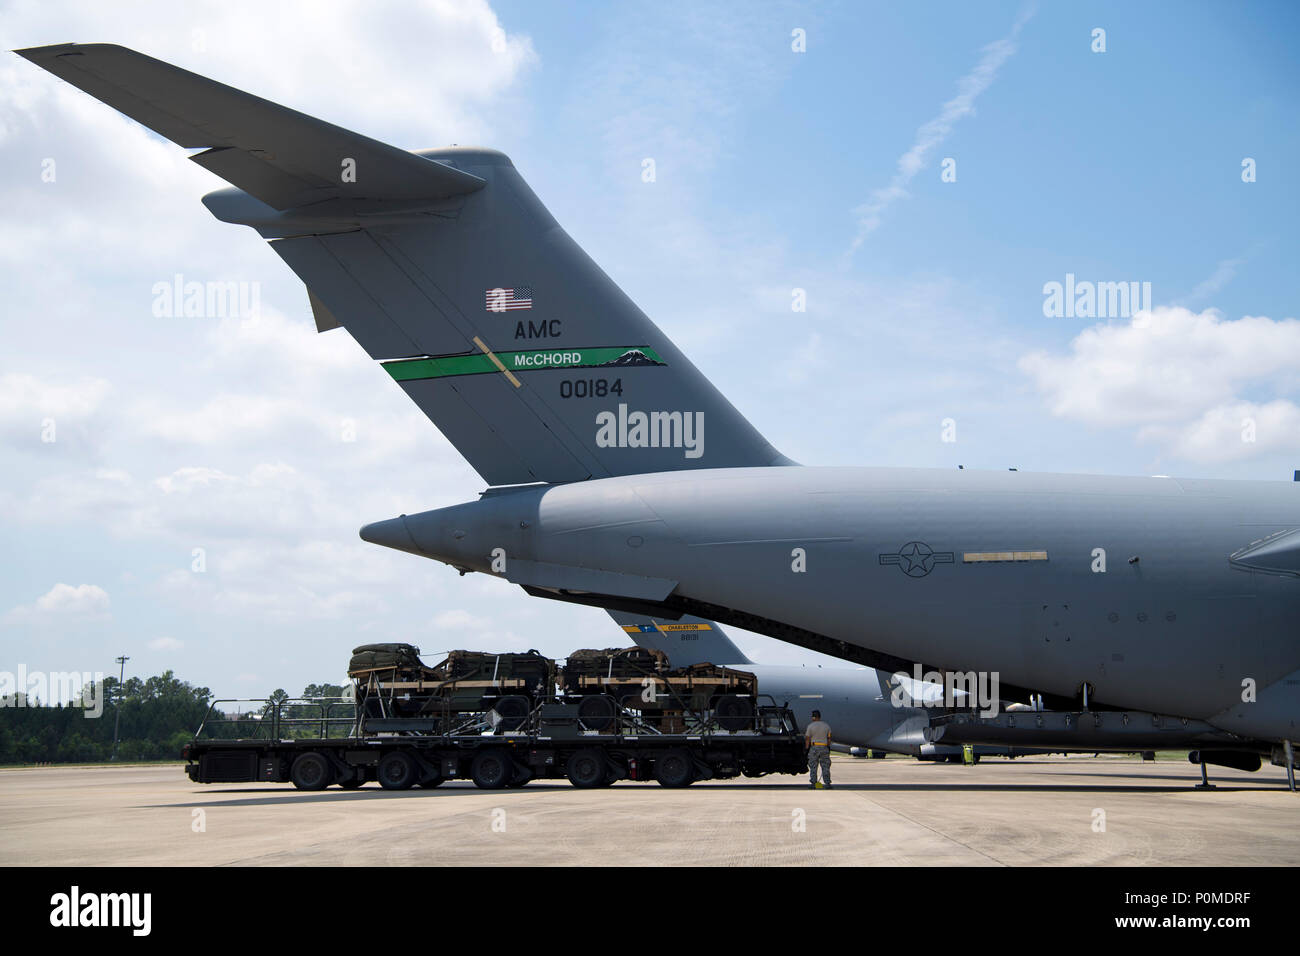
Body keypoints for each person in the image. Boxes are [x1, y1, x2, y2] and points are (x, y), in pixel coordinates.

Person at [805, 709, 832, 789]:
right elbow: (829, 738)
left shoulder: (810, 726)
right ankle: (827, 783)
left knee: (813, 766)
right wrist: (828, 746)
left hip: (814, 748)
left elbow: (807, 738)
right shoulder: (826, 726)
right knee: (825, 766)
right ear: (819, 717)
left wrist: (807, 749)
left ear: (813, 717)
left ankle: (813, 783)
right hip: (824, 747)